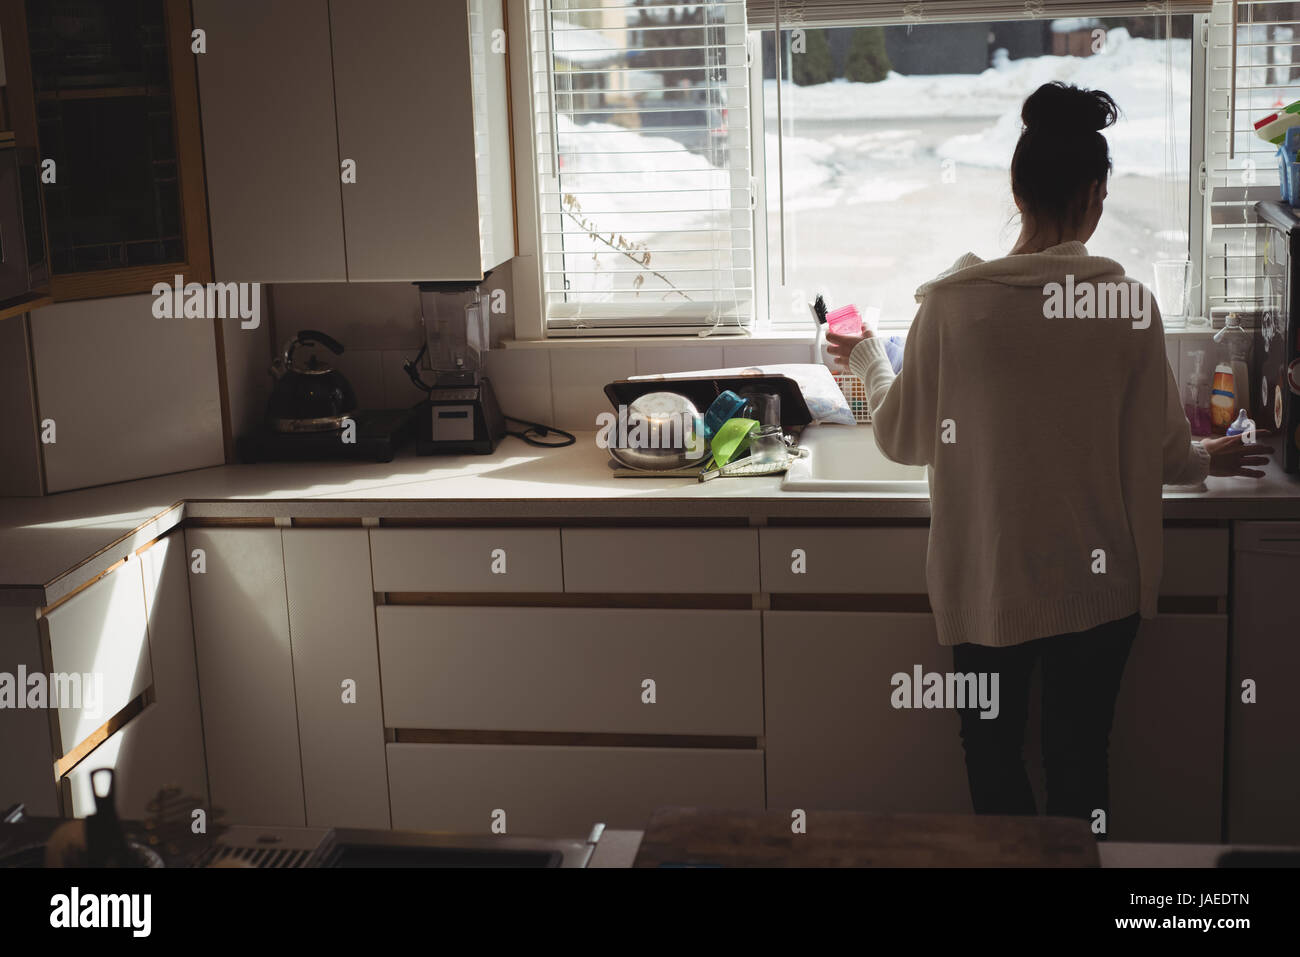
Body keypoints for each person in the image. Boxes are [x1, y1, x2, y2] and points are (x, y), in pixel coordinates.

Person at [825, 81, 1273, 825]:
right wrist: (1210, 457)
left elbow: (899, 435)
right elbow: (1165, 453)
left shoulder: (954, 305)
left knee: (993, 761)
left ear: (1016, 186)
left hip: (988, 586)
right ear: (1097, 196)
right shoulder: (1126, 305)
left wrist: (870, 356)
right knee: (1079, 768)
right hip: (1101, 597)